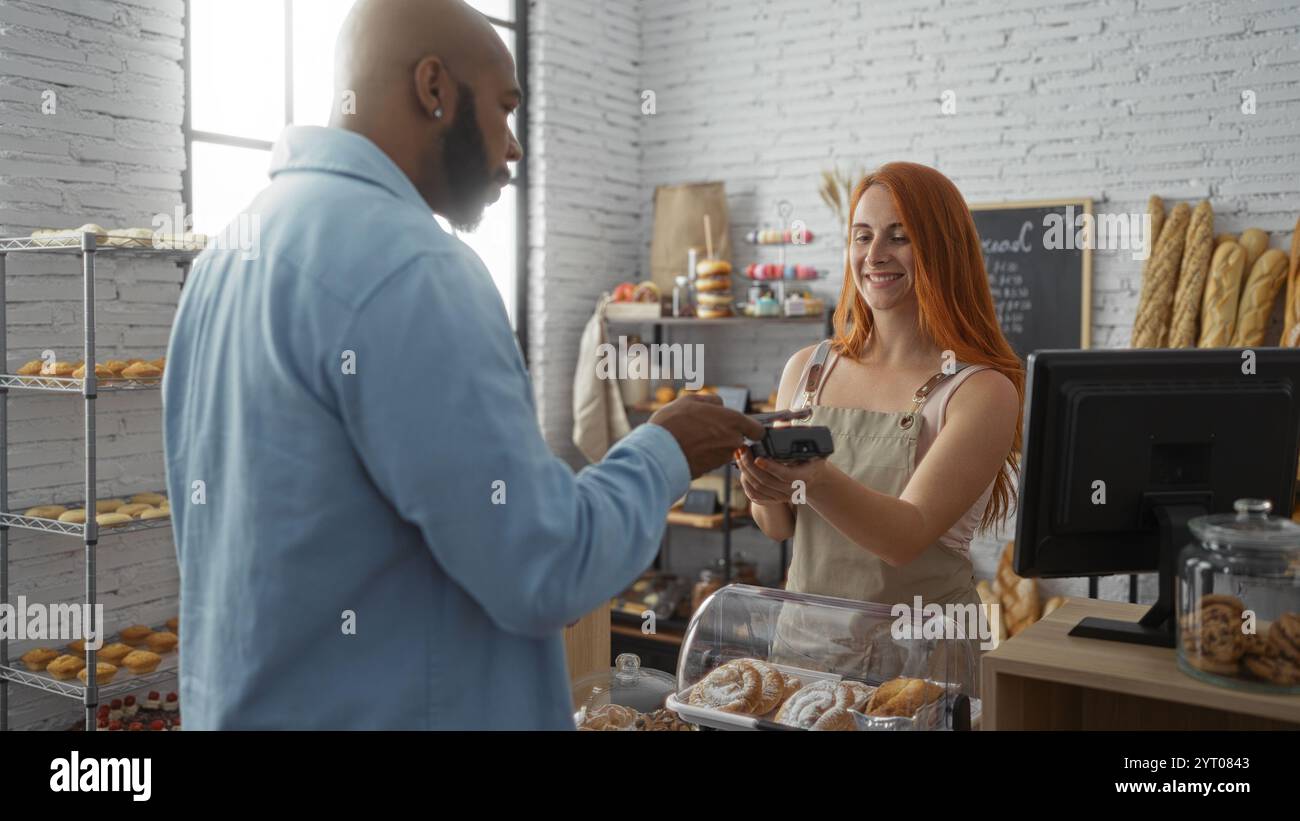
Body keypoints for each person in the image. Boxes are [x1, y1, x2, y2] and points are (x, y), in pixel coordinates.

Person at [162, 0, 762, 730]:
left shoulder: (228, 255)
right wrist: (667, 446)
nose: (513, 147)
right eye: (506, 109)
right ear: (434, 88)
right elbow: (545, 562)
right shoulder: (411, 265)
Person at [737, 162, 1023, 659]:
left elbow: (904, 537)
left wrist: (818, 478)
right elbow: (779, 526)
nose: (875, 255)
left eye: (900, 237)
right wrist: (763, 486)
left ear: (943, 249)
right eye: (862, 236)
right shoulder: (806, 369)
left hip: (922, 663)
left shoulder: (981, 391)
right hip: (804, 650)